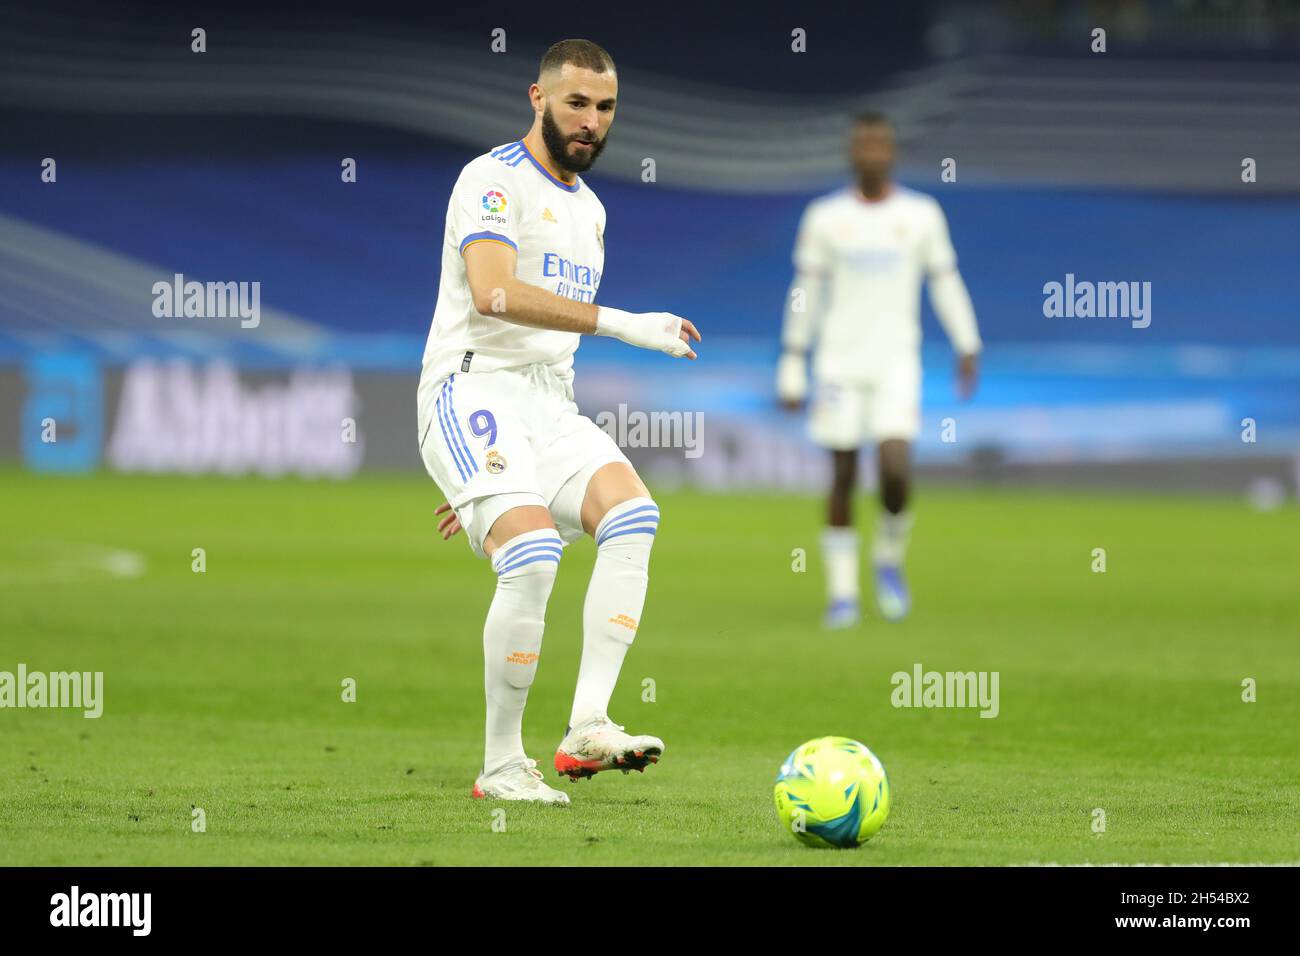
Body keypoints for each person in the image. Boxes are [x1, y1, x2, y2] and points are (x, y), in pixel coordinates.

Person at [418, 39, 701, 804]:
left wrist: (487, 481)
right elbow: (493, 294)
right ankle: (502, 766)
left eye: (605, 107)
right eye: (576, 102)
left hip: (547, 404)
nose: (591, 121)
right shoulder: (491, 180)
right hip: (472, 387)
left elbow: (549, 344)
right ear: (537, 99)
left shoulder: (592, 211)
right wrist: (623, 322)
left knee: (635, 514)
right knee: (535, 554)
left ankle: (587, 725)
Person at [777, 112, 980, 628]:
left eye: (878, 145)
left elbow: (945, 280)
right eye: (861, 144)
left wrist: (967, 342)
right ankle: (843, 594)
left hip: (896, 362)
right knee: (842, 474)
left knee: (894, 468)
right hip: (839, 364)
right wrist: (793, 356)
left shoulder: (921, 214)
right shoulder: (825, 217)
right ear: (852, 153)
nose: (869, 153)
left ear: (891, 152)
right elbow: (806, 290)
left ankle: (888, 558)